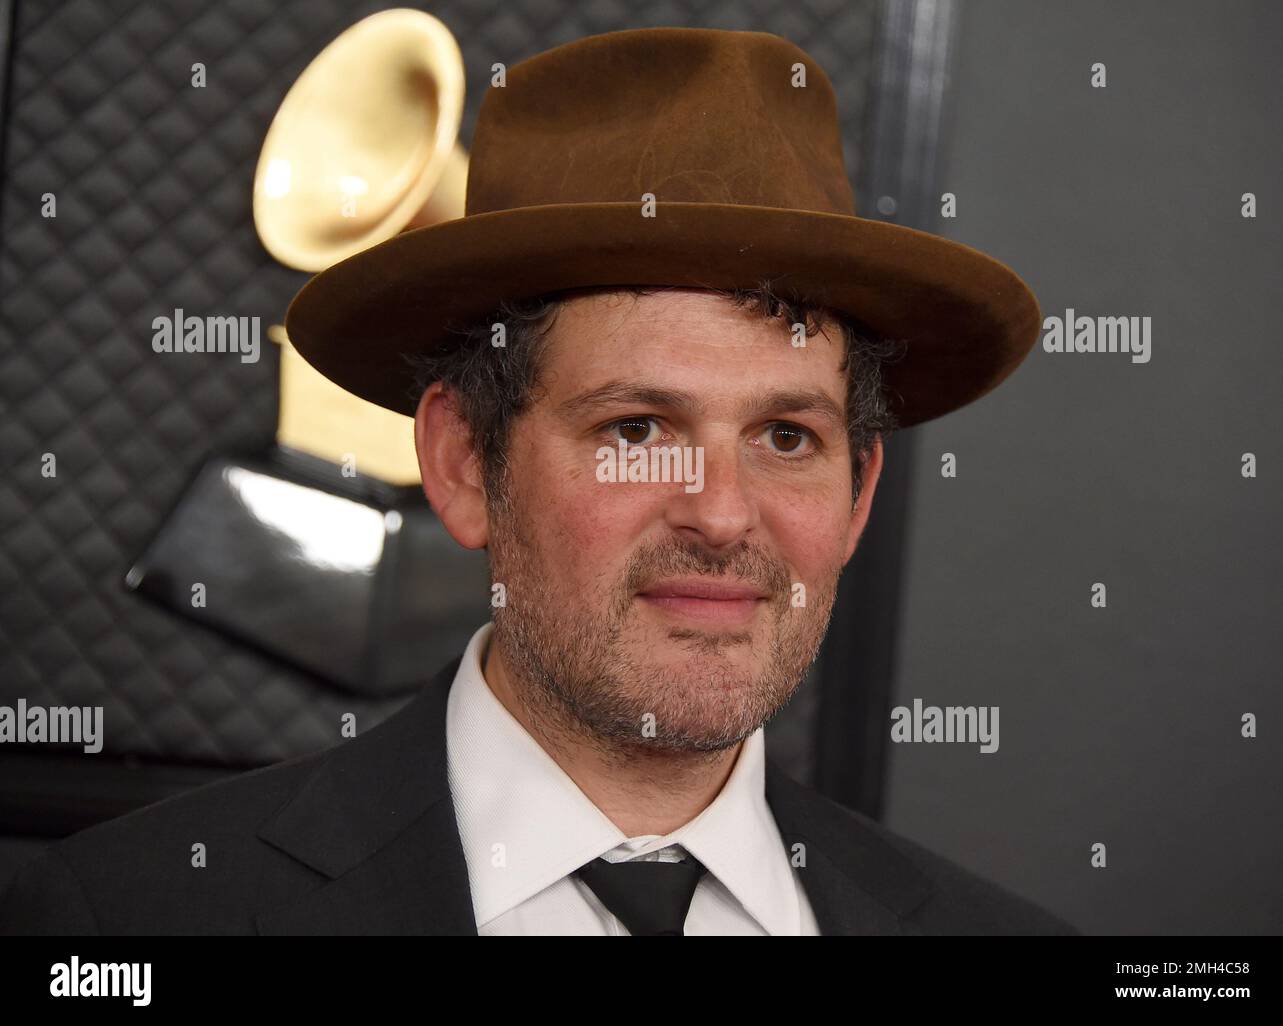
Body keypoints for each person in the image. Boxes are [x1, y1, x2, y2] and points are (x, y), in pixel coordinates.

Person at [0, 27, 1072, 936]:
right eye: (637, 425)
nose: (720, 511)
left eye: (787, 437)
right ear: (465, 463)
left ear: (858, 494)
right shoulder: (124, 919)